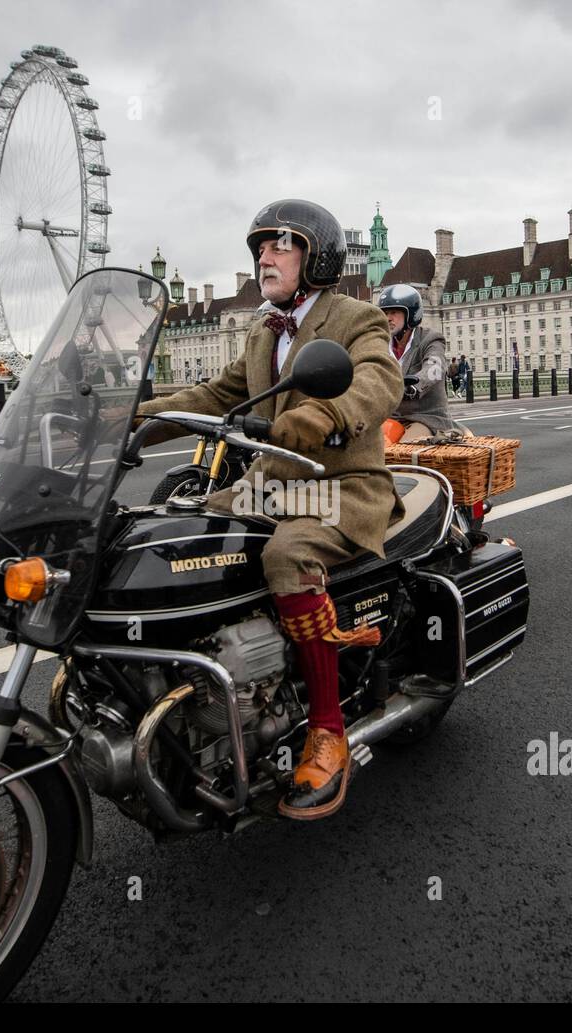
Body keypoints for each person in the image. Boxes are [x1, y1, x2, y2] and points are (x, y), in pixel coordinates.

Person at [133, 198, 404, 818]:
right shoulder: (261, 331)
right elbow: (214, 394)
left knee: (287, 555)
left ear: (317, 256)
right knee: (173, 530)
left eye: (280, 243)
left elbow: (378, 380)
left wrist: (328, 413)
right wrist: (132, 423)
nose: (264, 255)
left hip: (340, 486)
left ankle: (328, 729)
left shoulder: (356, 317)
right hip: (270, 485)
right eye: (259, 246)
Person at [378, 283, 455, 441]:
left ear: (411, 315)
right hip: (391, 417)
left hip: (425, 417)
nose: (387, 318)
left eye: (394, 312)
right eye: (384, 313)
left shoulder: (430, 339)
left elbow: (435, 367)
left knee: (406, 449)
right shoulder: (379, 343)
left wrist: (414, 386)